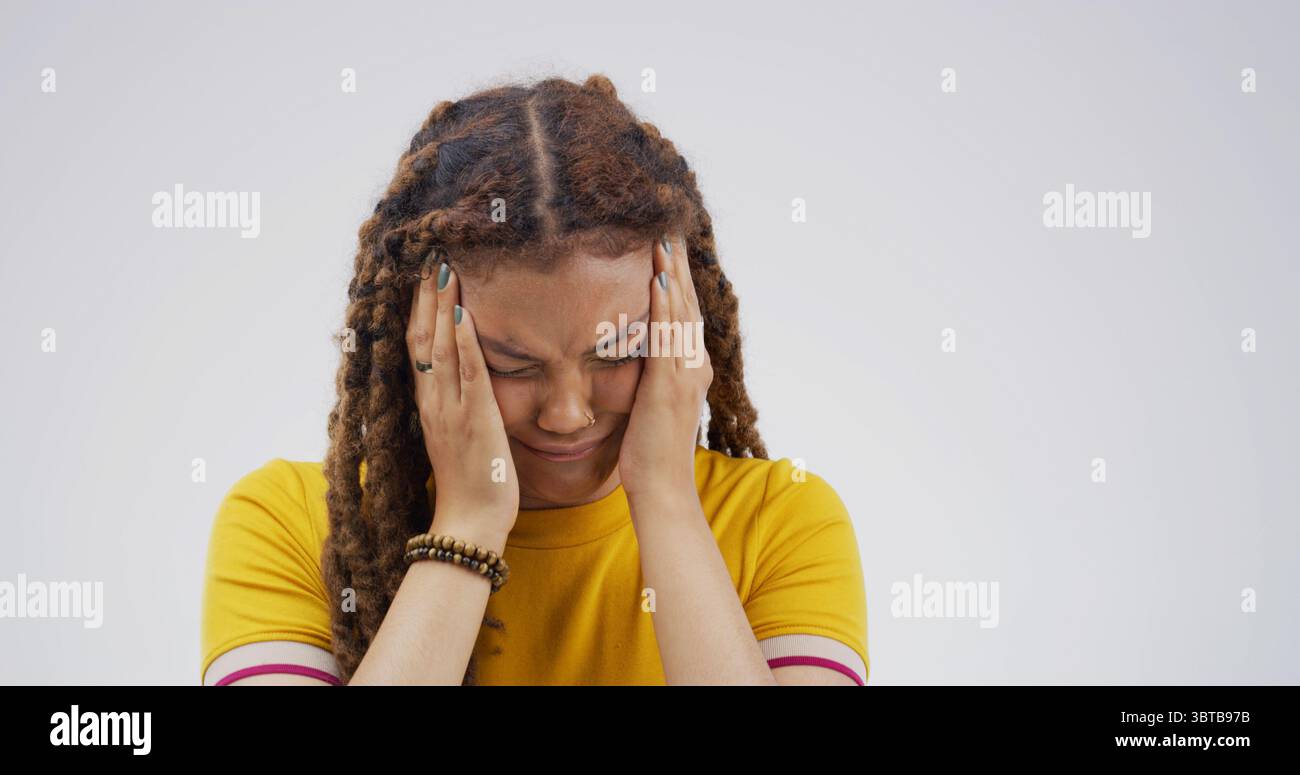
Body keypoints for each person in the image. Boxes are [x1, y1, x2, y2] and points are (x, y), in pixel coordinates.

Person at [200, 73, 868, 685]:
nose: (568, 412)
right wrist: (468, 522)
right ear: (419, 337)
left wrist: (664, 496)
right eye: (511, 365)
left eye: (617, 351)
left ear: (677, 324)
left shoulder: (783, 523)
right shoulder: (288, 524)